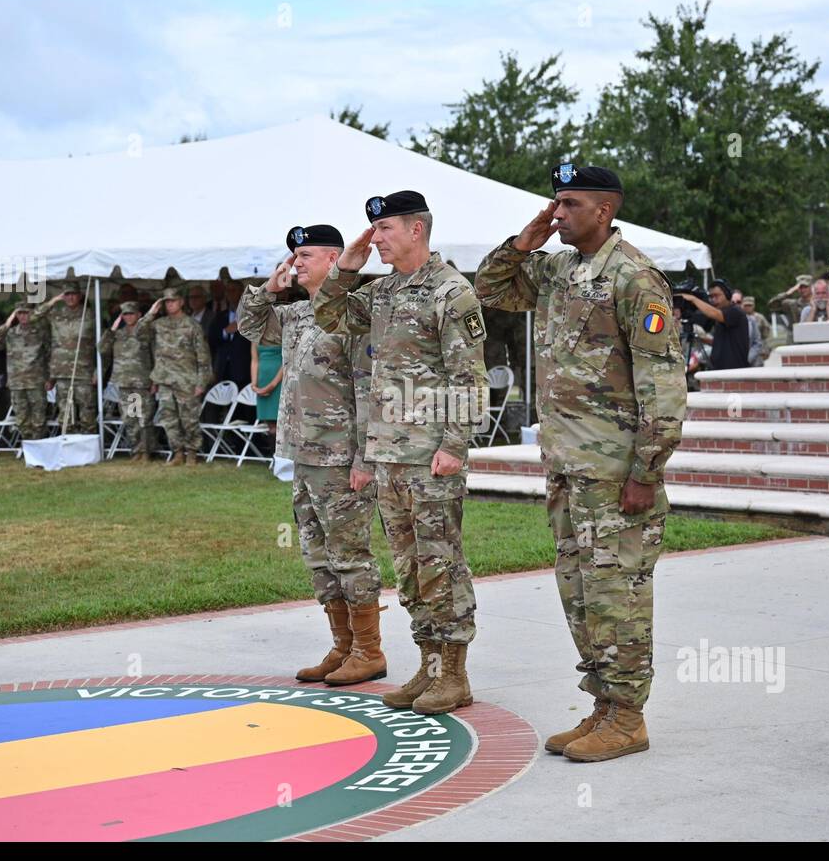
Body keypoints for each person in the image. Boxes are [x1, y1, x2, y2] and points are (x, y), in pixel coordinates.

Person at [475, 163, 686, 762]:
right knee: (580, 591)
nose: (557, 213)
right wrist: (525, 241)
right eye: (554, 203)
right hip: (569, 467)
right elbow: (490, 288)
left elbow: (663, 388)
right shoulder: (557, 268)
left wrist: (647, 473)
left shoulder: (635, 278)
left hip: (617, 474)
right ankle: (602, 703)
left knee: (617, 593)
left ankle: (628, 717)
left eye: (568, 204)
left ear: (604, 211)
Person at [315, 190, 487, 715]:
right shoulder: (384, 291)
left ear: (417, 229)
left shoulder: (451, 291)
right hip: (389, 454)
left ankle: (453, 675)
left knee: (440, 564)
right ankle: (429, 668)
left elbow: (470, 378)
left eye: (385, 228)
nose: (377, 238)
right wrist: (346, 265)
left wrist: (455, 446)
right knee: (410, 568)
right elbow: (328, 313)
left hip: (430, 456)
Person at [238, 224, 383, 685]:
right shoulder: (298, 314)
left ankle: (369, 650)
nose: (296, 264)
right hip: (304, 454)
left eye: (305, 256)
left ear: (334, 259)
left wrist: (366, 458)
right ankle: (342, 648)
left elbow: (371, 388)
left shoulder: (355, 314)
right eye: (293, 257)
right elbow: (249, 326)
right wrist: (267, 289)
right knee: (318, 556)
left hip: (341, 457)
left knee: (350, 553)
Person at [141, 287, 209, 464]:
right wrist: (151, 313)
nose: (169, 304)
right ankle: (178, 452)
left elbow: (202, 355)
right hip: (164, 379)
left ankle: (192, 452)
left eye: (172, 301)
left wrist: (201, 382)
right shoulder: (159, 324)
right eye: (166, 302)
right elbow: (139, 333)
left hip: (186, 379)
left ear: (181, 302)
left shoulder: (192, 325)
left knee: (189, 419)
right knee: (168, 419)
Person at [33, 282, 97, 433]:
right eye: (66, 294)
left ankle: (88, 449)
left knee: (87, 412)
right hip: (61, 373)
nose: (70, 297)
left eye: (73, 294)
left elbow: (100, 344)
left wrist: (98, 371)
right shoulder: (56, 314)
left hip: (84, 371)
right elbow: (34, 315)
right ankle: (68, 447)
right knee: (65, 413)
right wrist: (53, 301)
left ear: (80, 296)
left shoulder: (90, 315)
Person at [97, 300, 154, 461]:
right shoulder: (118, 334)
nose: (128, 317)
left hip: (142, 382)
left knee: (144, 418)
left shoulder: (145, 333)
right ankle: (136, 450)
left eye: (131, 313)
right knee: (130, 418)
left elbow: (155, 355)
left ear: (138, 315)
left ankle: (146, 451)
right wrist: (112, 328)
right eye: (125, 314)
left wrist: (155, 380)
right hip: (124, 382)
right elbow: (102, 349)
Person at [0, 301, 50, 441]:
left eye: (26, 312)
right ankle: (28, 446)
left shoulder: (40, 333)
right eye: (19, 313)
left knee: (39, 417)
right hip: (16, 383)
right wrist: (7, 323)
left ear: (32, 313)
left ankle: (39, 446)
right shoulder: (11, 333)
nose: (23, 316)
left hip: (36, 381)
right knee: (21, 418)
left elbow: (49, 355)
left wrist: (50, 378)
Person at [681, 279, 750, 370]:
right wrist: (702, 339)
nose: (713, 299)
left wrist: (693, 299)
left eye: (716, 296)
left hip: (734, 372)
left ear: (727, 295)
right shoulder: (721, 315)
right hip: (719, 370)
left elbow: (714, 314)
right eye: (711, 296)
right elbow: (721, 343)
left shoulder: (735, 311)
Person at [250, 297, 285, 448]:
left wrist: (272, 385)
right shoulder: (256, 333)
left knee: (280, 421)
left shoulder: (283, 332)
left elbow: (287, 361)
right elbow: (254, 360)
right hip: (262, 380)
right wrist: (254, 383)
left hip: (279, 381)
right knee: (269, 423)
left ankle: (280, 457)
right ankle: (272, 456)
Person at [742, 296, 771, 364]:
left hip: (758, 350)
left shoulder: (760, 317)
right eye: (746, 305)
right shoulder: (740, 317)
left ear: (754, 306)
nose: (748, 307)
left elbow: (766, 332)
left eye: (750, 305)